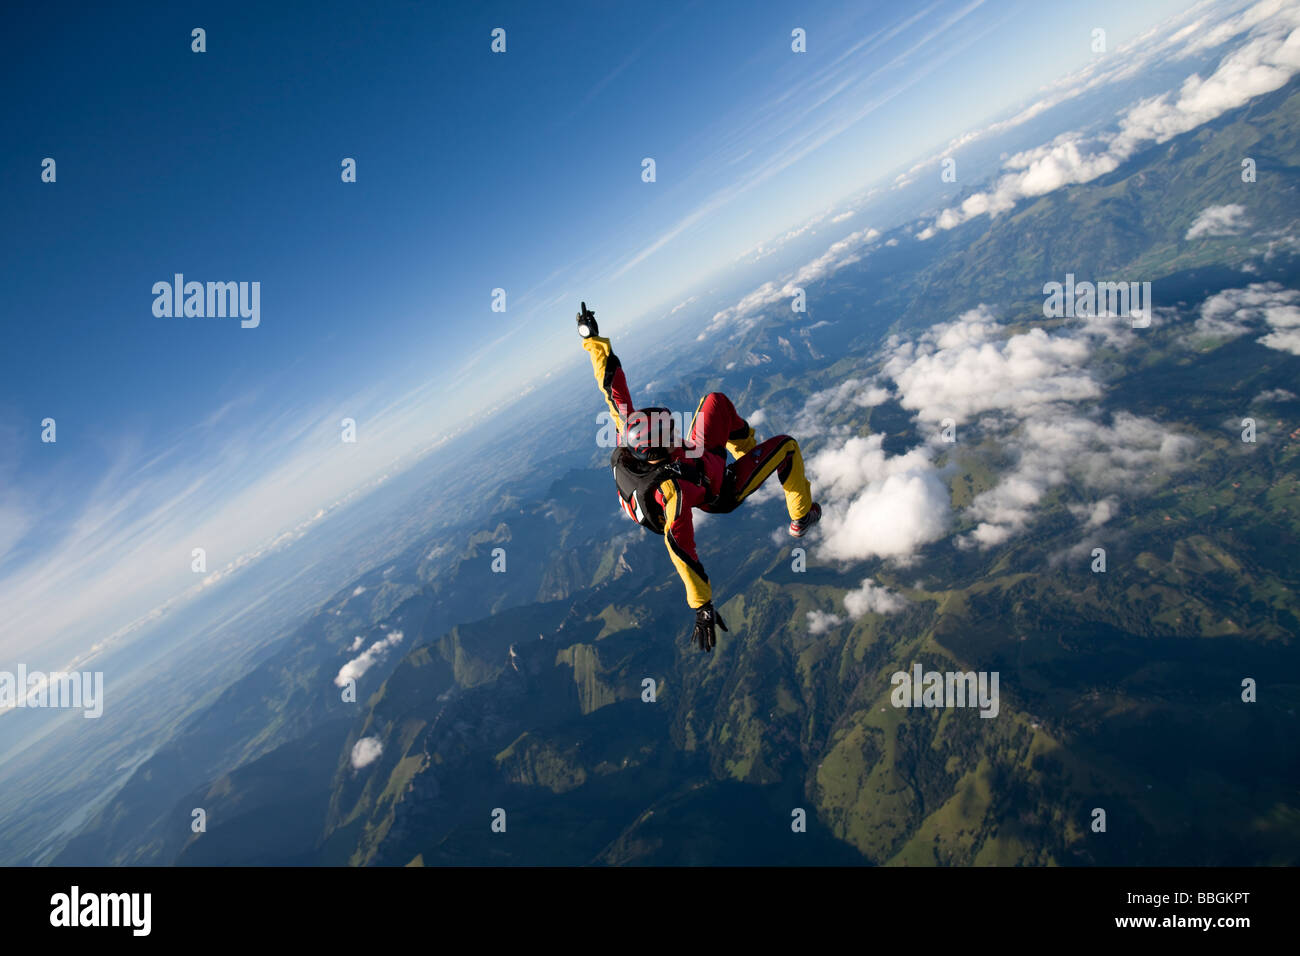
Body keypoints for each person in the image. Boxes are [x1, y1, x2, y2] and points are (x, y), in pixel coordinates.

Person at [576, 302, 821, 653]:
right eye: (668, 428)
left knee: (714, 401)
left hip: (699, 461)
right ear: (661, 447)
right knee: (788, 447)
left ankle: (745, 448)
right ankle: (801, 517)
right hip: (720, 489)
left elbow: (611, 386)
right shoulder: (671, 490)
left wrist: (592, 337)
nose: (673, 426)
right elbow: (680, 547)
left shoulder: (629, 436)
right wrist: (702, 605)